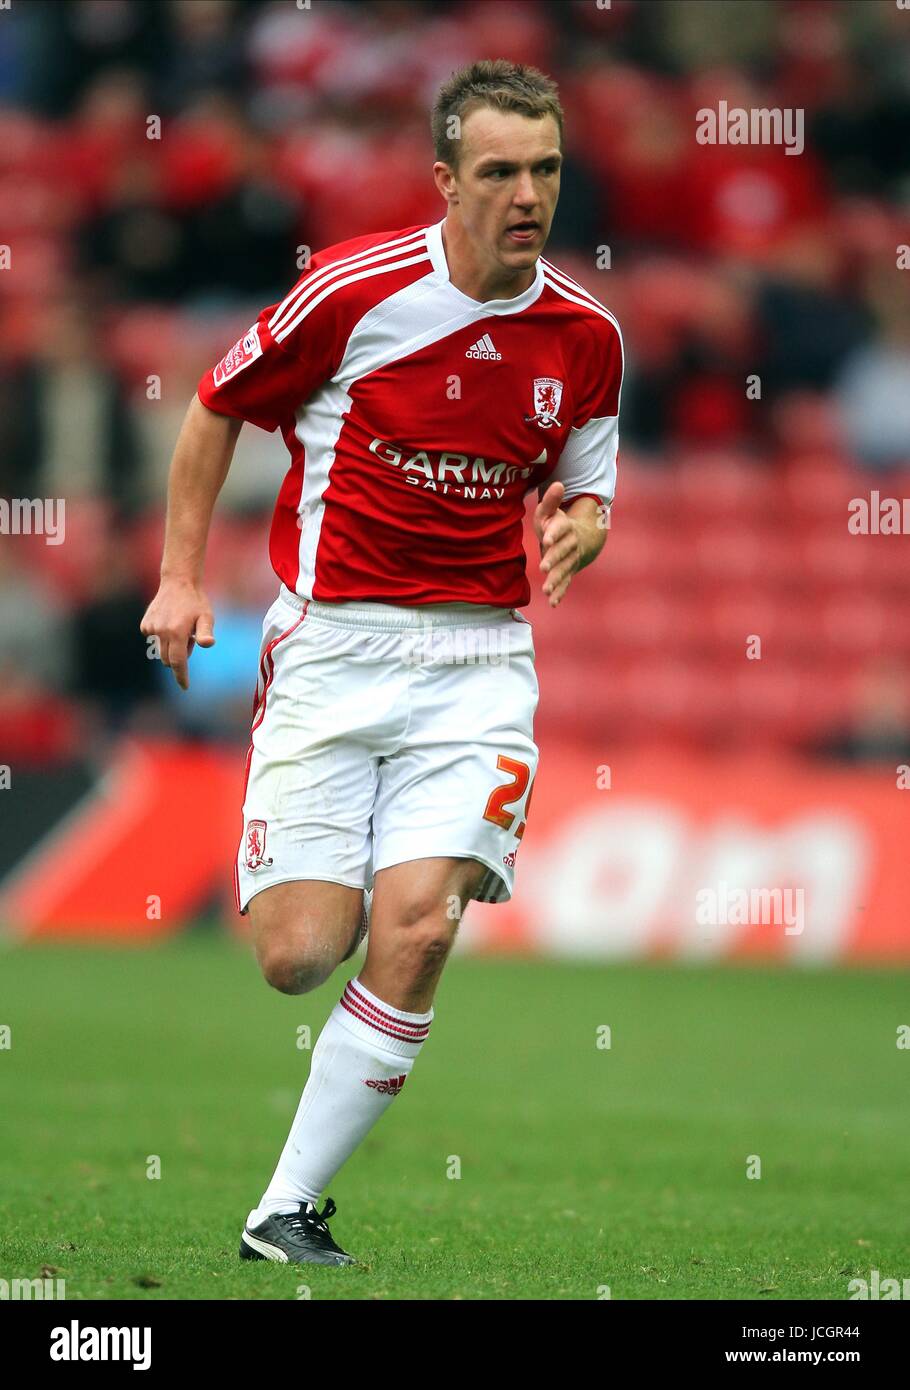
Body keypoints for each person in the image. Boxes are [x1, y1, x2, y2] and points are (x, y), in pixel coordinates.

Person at [140, 59, 623, 1266]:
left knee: (419, 928)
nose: (527, 193)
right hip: (334, 651)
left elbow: (588, 489)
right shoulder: (352, 293)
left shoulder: (589, 334)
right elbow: (213, 405)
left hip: (479, 662)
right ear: (445, 181)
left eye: (546, 169)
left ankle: (281, 1210)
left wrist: (585, 524)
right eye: (500, 170)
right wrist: (183, 576)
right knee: (300, 954)